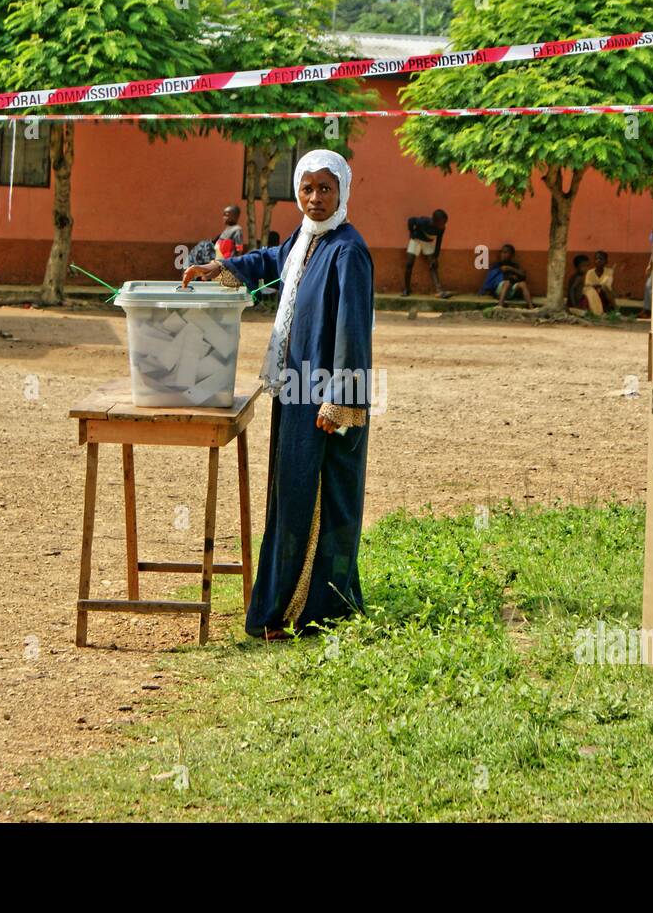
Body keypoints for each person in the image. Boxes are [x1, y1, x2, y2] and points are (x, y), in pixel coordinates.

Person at [182, 150, 373, 640]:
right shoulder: (305, 240)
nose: (314, 198)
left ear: (343, 191)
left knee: (318, 499)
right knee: (291, 495)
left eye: (325, 188)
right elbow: (270, 261)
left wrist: (342, 402)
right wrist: (216, 269)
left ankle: (312, 611)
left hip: (325, 401)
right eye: (306, 188)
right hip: (294, 391)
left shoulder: (347, 251)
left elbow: (353, 330)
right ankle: (284, 605)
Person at [402, 209, 452, 298]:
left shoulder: (441, 229)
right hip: (416, 239)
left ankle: (439, 290)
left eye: (445, 223)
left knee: (433, 265)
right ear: (434, 221)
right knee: (409, 263)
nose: (444, 225)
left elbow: (439, 242)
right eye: (442, 223)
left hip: (428, 242)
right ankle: (407, 288)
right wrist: (411, 233)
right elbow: (410, 220)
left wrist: (435, 256)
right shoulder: (423, 221)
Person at [479, 244, 533, 308]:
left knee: (523, 284)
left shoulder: (514, 265)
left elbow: (523, 276)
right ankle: (500, 305)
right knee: (507, 283)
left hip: (510, 290)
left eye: (506, 252)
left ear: (512, 255)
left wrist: (511, 269)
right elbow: (493, 279)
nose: (503, 255)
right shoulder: (497, 265)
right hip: (499, 291)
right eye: (502, 252)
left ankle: (531, 307)